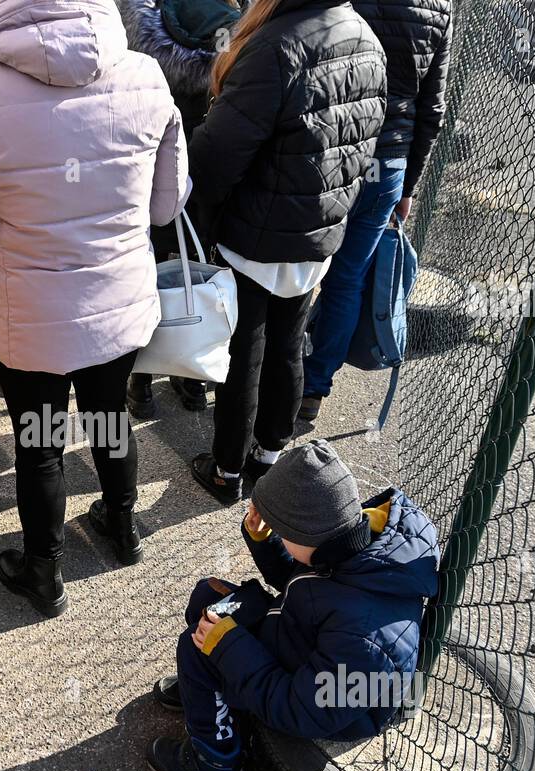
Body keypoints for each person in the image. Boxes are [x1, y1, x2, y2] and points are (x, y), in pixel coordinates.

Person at [0, 0, 187, 617]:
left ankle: (43, 570)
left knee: (39, 441)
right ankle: (122, 526)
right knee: (109, 416)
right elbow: (166, 204)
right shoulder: (146, 74)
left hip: (30, 311)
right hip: (117, 301)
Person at [147, 440, 440, 771]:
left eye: (283, 533)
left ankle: (215, 765)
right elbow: (301, 583)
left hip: (322, 701)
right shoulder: (346, 540)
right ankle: (207, 695)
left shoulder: (367, 640)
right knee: (207, 597)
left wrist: (228, 648)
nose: (280, 536)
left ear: (307, 536)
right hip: (304, 639)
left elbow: (300, 709)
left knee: (197, 649)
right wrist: (264, 540)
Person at [186, 0, 386, 503]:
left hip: (256, 234)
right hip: (319, 229)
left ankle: (226, 471)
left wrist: (205, 213)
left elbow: (217, 155)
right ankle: (269, 454)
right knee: (288, 345)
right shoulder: (365, 36)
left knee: (244, 354)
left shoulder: (274, 45)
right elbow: (364, 140)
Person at [300, 0, 453, 424]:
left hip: (332, 145)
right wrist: (408, 185)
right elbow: (432, 109)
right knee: (347, 277)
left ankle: (272, 370)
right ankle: (313, 387)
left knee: (298, 261)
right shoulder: (440, 8)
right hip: (388, 159)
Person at [118, 0, 241, 418]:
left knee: (147, 273)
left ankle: (140, 384)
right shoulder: (236, 29)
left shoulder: (135, 20)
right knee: (198, 268)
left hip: (149, 168)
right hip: (208, 171)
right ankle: (192, 379)